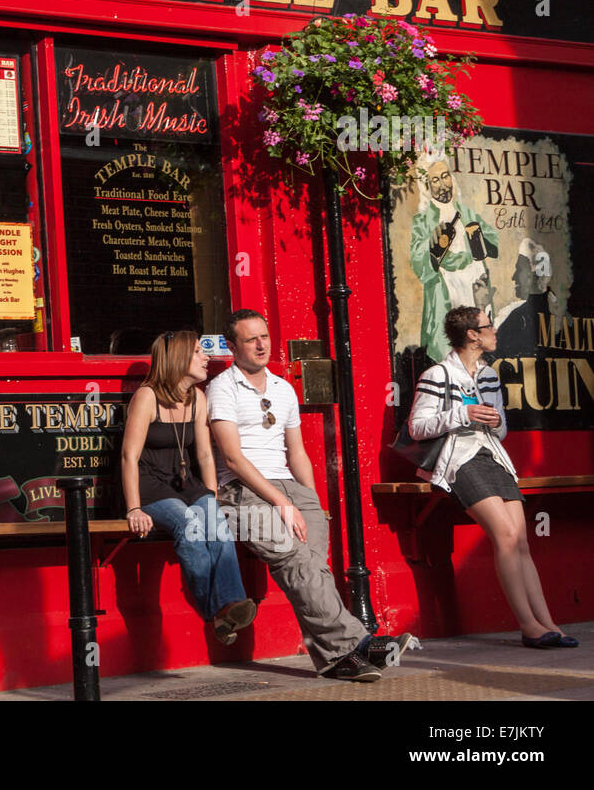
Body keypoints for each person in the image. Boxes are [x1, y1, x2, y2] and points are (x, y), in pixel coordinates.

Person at [208, 309, 413, 681]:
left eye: (265, 337)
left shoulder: (283, 388)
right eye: (251, 339)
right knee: (298, 563)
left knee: (310, 568)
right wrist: (282, 503)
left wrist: (311, 499)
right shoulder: (222, 388)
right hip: (244, 493)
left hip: (292, 488)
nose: (260, 345)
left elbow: (297, 451)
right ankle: (359, 643)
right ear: (232, 346)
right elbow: (234, 459)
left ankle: (336, 660)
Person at [407, 306, 577, 648]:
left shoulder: (488, 375)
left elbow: (499, 430)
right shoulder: (438, 375)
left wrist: (496, 422)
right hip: (460, 460)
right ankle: (529, 626)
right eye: (488, 326)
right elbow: (416, 426)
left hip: (492, 456)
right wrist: (463, 412)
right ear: (472, 335)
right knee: (504, 535)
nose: (494, 331)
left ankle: (548, 623)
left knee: (521, 540)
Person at [121, 330, 257, 644]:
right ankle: (218, 611)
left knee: (214, 520)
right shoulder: (147, 396)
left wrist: (211, 495)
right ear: (178, 358)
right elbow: (129, 456)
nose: (206, 357)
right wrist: (133, 507)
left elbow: (206, 453)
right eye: (198, 351)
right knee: (188, 524)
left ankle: (231, 604)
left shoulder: (197, 397)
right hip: (148, 486)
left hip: (186, 483)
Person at [410, 156, 498, 362]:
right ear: (427, 186)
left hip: (474, 284)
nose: (442, 185)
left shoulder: (466, 213)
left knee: (478, 346)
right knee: (450, 349)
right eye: (435, 181)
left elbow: (493, 245)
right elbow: (417, 262)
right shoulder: (423, 221)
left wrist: (478, 240)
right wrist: (435, 247)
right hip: (446, 288)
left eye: (445, 177)